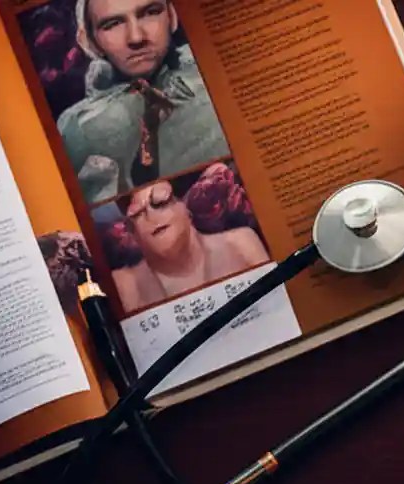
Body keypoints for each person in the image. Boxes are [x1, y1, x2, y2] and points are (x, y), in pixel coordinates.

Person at [58, 0, 230, 203]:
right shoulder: (77, 128)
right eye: (113, 24)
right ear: (88, 40)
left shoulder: (217, 66)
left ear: (172, 16)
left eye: (150, 12)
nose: (136, 37)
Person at [112, 180, 269, 313]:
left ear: (185, 207)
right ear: (132, 234)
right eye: (138, 213)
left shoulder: (241, 243)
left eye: (160, 203)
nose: (151, 216)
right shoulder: (127, 283)